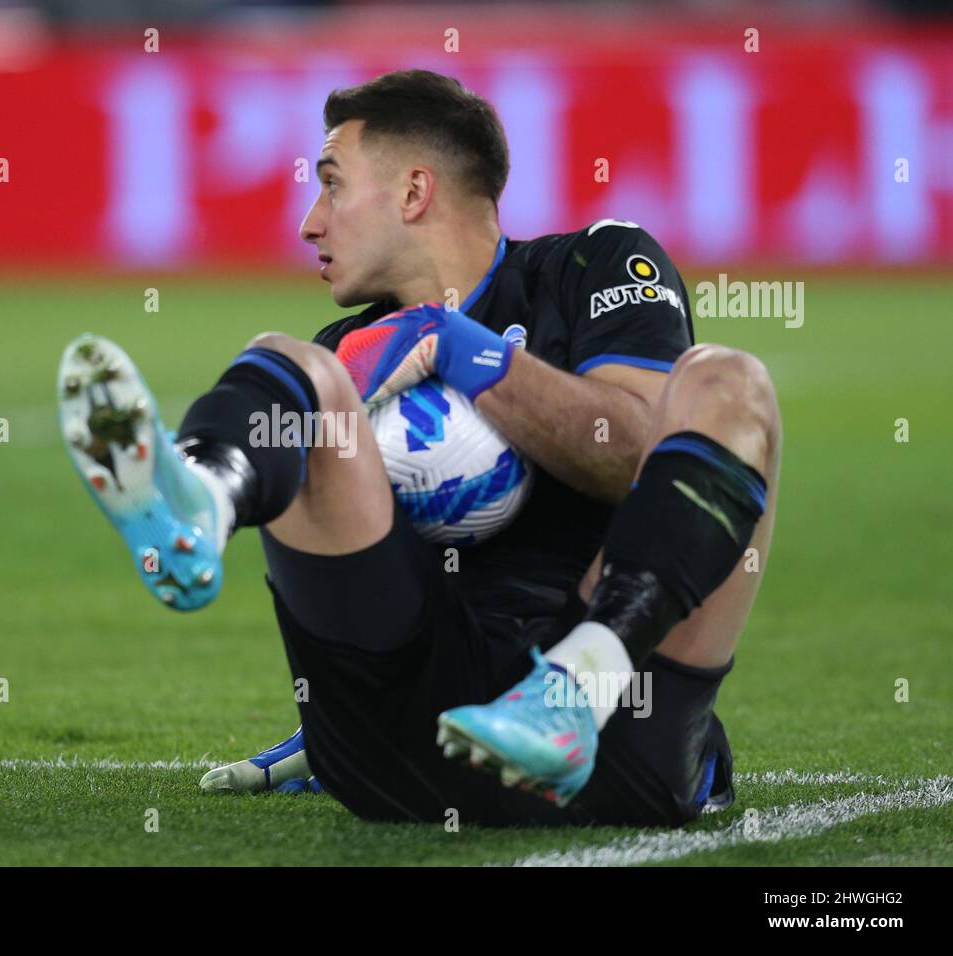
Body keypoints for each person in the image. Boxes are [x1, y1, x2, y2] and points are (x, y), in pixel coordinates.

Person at [58, 69, 780, 826]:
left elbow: (634, 451)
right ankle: (203, 496)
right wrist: (333, 717)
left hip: (618, 731)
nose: (310, 222)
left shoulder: (591, 269)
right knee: (298, 368)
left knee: (731, 383)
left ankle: (570, 688)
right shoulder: (351, 351)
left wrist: (453, 346)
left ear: (412, 194)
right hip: (399, 738)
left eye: (331, 185)